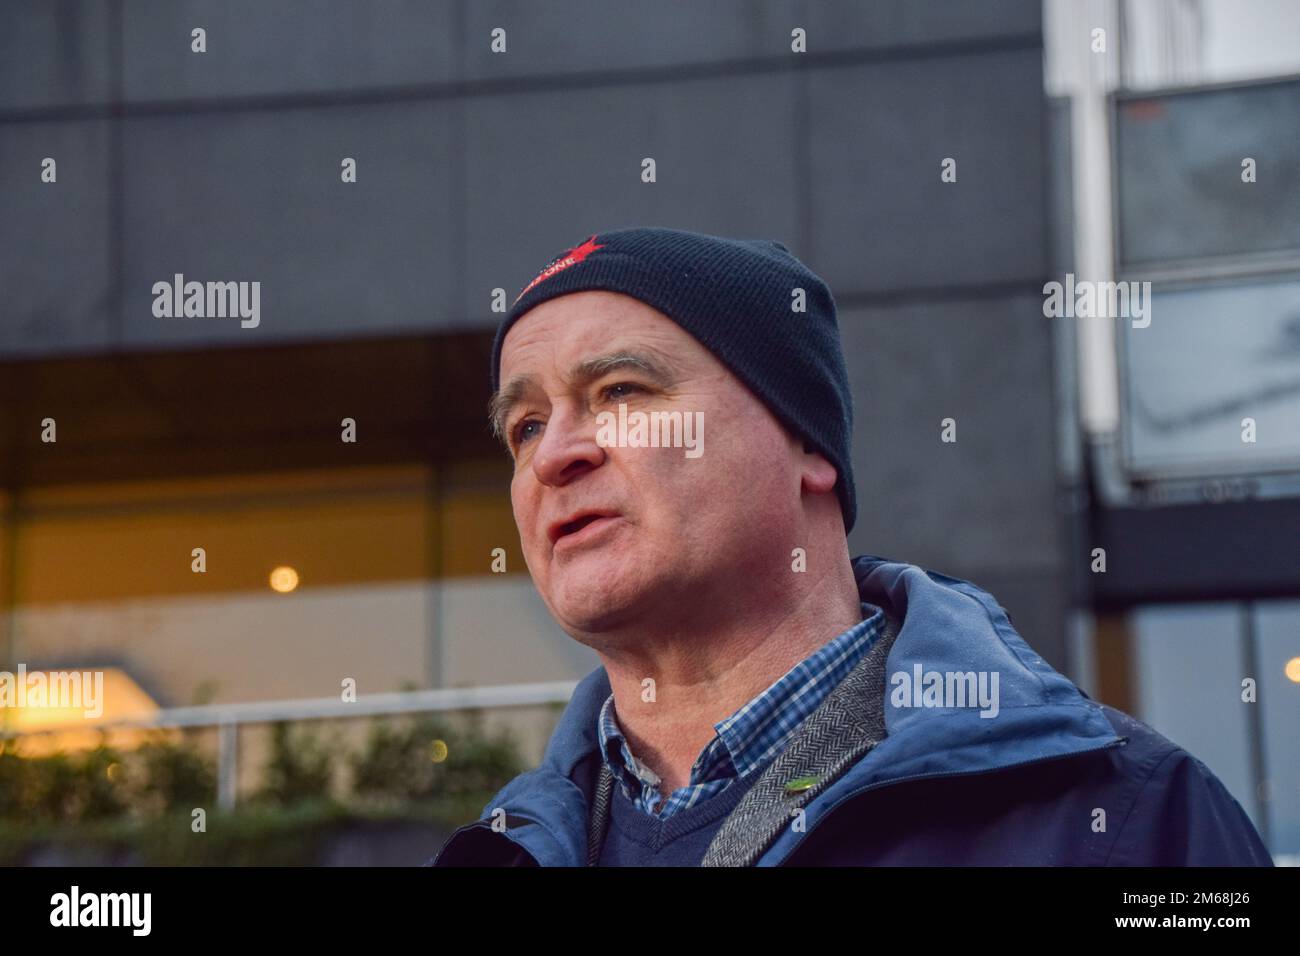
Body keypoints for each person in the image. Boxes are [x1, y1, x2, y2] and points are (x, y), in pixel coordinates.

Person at [429, 227, 1272, 866]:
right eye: (526, 425)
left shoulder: (1132, 821)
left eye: (619, 392)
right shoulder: (503, 856)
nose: (553, 455)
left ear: (808, 445)